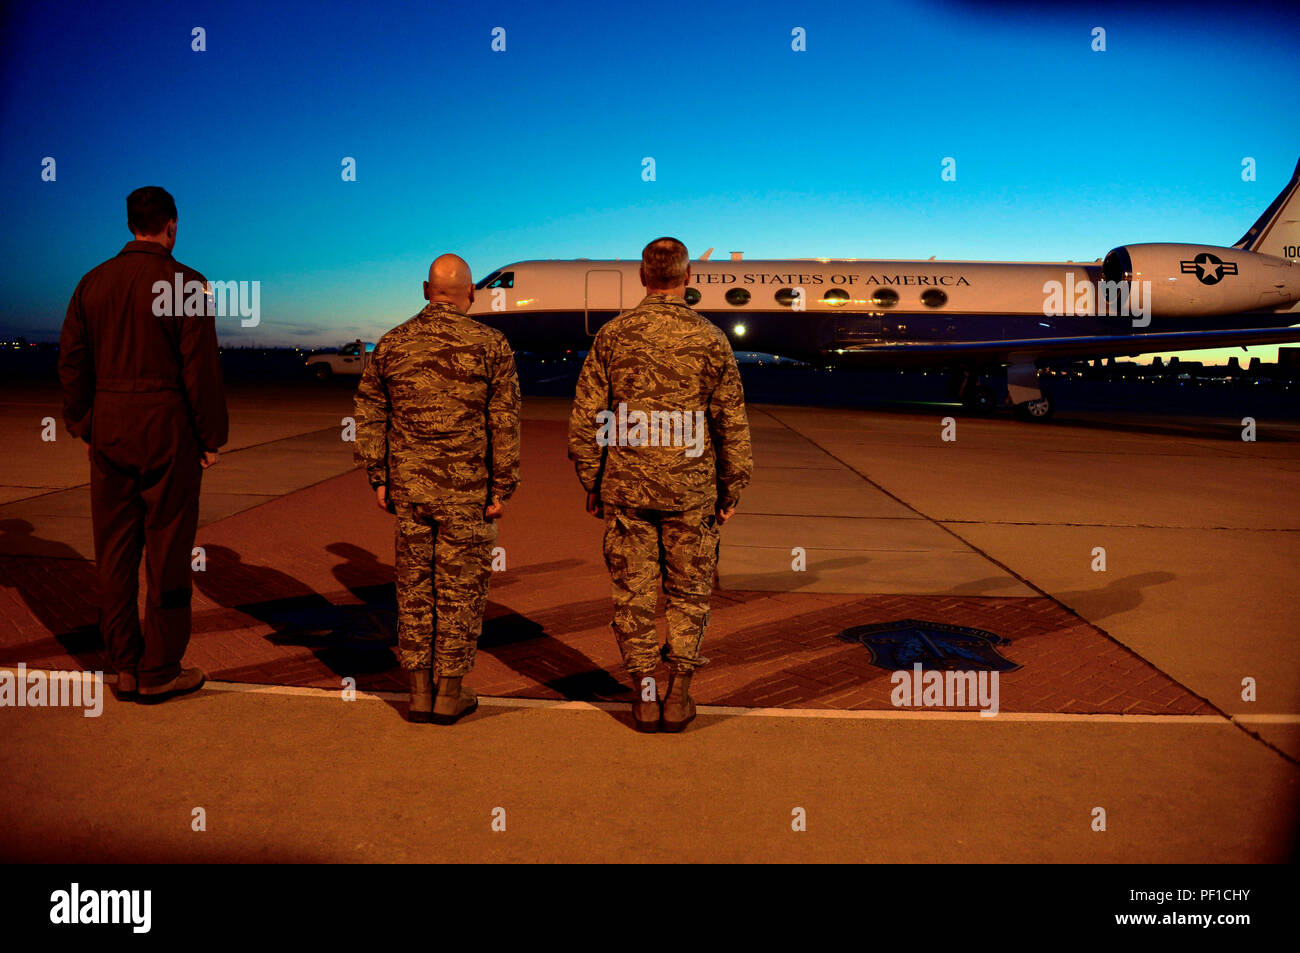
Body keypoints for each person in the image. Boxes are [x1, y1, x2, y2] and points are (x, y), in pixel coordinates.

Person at [568, 237, 752, 732]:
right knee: (690, 593)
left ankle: (645, 696)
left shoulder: (613, 334)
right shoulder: (711, 337)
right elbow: (729, 420)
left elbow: (589, 416)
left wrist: (593, 478)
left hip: (627, 488)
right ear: (688, 277)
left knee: (634, 593)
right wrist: (730, 488)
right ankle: (679, 696)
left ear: (644, 277)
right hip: (691, 490)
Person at [58, 186, 227, 704]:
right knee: (168, 550)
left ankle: (123, 664)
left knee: (113, 552)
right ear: (171, 225)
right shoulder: (186, 285)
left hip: (110, 426)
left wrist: (88, 423)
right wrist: (210, 435)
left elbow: (71, 362)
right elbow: (199, 370)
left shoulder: (92, 283)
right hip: (166, 427)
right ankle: (159, 667)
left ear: (131, 223)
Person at [354, 254, 520, 724]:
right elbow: (503, 421)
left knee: (414, 589)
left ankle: (418, 692)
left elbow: (369, 414)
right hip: (468, 491)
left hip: (409, 490)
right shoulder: (491, 344)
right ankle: (450, 691)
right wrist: (501, 485)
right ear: (470, 292)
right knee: (461, 589)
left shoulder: (393, 342)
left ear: (426, 290)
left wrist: (379, 476)